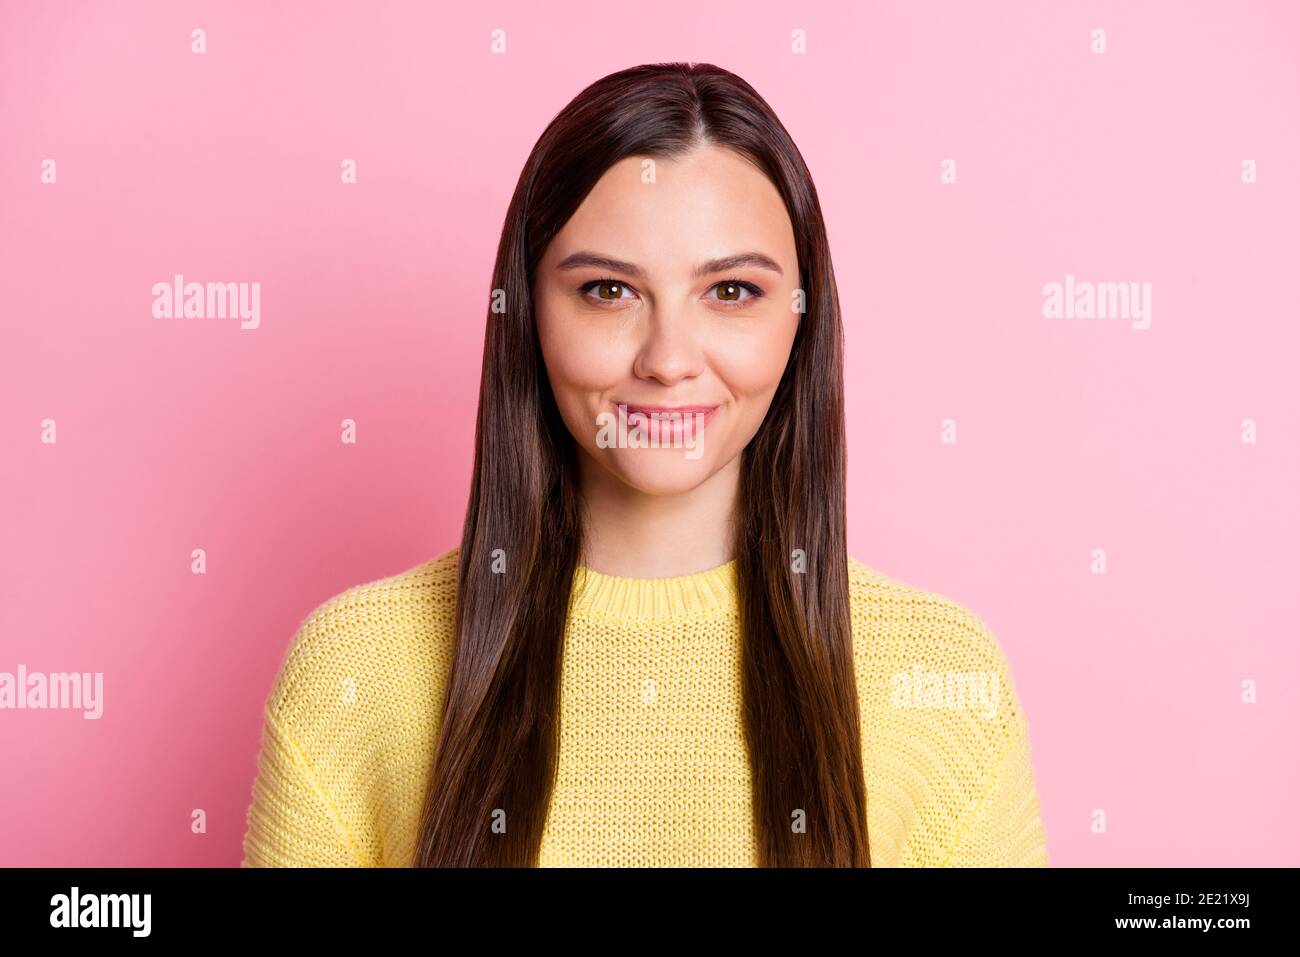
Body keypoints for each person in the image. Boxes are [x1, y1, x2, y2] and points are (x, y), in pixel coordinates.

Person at [241, 61, 1049, 868]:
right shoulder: (355, 669)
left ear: (803, 322)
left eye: (731, 292)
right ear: (527, 313)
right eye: (607, 291)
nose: (668, 360)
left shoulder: (943, 681)